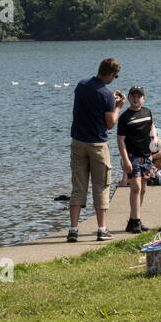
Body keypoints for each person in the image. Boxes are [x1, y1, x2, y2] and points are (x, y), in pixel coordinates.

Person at [68, 57, 125, 243]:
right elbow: (110, 124)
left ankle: (73, 230)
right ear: (109, 74)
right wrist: (117, 106)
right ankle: (101, 229)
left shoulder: (81, 85)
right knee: (101, 186)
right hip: (98, 144)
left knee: (78, 186)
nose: (114, 79)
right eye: (115, 76)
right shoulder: (107, 95)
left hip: (78, 142)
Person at [117, 86, 161, 234]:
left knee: (143, 188)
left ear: (143, 98)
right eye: (133, 96)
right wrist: (125, 160)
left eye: (139, 96)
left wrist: (154, 137)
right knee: (135, 187)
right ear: (129, 98)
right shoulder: (124, 117)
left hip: (146, 155)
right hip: (132, 156)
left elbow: (152, 126)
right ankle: (135, 222)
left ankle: (135, 219)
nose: (136, 99)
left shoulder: (147, 112)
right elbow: (120, 140)